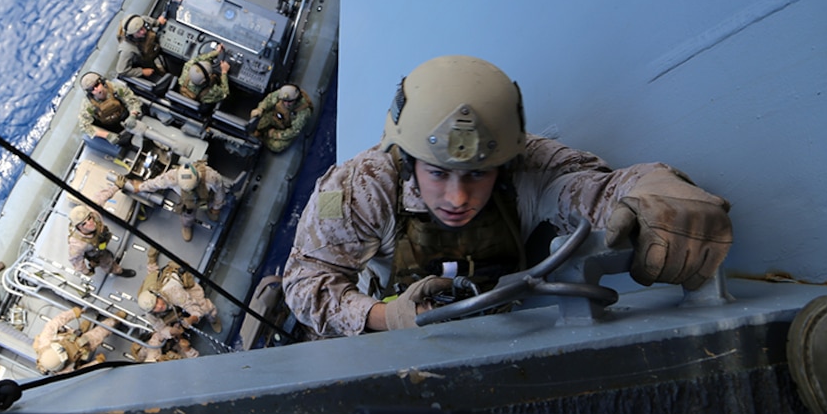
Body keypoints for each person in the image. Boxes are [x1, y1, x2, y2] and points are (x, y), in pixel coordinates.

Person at [282, 55, 733, 337]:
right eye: (439, 173)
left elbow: (594, 190)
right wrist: (388, 317)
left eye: (477, 175)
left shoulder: (526, 164)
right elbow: (307, 281)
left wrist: (656, 190)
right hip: (397, 325)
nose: (458, 197)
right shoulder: (360, 189)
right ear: (407, 158)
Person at [126, 161, 228, 241]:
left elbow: (220, 192)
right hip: (188, 203)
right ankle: (187, 226)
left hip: (206, 197)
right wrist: (140, 187)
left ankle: (210, 211)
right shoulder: (171, 177)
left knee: (212, 207)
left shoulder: (211, 177)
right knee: (187, 216)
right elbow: (155, 184)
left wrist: (216, 207)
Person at [136, 247, 222, 332]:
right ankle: (151, 260)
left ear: (158, 296)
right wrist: (170, 332)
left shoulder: (175, 292)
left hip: (176, 285)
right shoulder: (148, 309)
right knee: (152, 275)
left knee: (205, 307)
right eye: (154, 308)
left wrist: (192, 319)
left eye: (157, 301)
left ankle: (213, 319)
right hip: (156, 284)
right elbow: (159, 327)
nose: (159, 306)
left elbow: (195, 309)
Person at [33, 306, 119, 375]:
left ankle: (91, 316)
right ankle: (116, 319)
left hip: (69, 336)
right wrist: (97, 362)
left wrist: (72, 314)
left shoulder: (45, 341)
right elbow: (82, 371)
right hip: (82, 347)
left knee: (83, 327)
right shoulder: (65, 371)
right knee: (101, 332)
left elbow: (53, 324)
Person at [77, 71, 142, 151]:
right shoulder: (87, 105)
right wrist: (106, 135)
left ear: (102, 82)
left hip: (127, 117)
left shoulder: (115, 87)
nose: (96, 89)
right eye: (92, 89)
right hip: (112, 128)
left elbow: (131, 100)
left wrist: (133, 115)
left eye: (97, 85)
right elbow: (84, 126)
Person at [67, 204, 136, 278]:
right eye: (84, 224)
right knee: (106, 262)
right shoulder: (78, 245)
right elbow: (76, 261)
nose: (90, 223)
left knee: (104, 250)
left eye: (89, 218)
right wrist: (87, 272)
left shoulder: (94, 215)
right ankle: (117, 270)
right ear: (78, 227)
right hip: (96, 252)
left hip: (101, 241)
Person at [250, 83, 314, 152]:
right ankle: (259, 132)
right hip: (277, 117)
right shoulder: (282, 94)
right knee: (261, 121)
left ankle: (263, 137)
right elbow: (269, 100)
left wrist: (274, 134)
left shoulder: (303, 112)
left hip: (287, 128)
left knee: (277, 146)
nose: (286, 104)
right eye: (284, 101)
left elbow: (294, 131)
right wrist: (260, 109)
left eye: (289, 101)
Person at [116, 13, 166, 79]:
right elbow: (121, 70)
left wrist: (159, 22)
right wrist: (142, 71)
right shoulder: (127, 50)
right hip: (145, 63)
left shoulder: (143, 21)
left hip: (153, 51)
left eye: (142, 28)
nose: (143, 32)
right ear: (131, 35)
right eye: (138, 32)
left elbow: (156, 22)